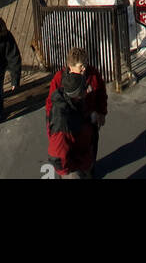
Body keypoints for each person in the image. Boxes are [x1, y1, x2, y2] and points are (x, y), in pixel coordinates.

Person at [45, 46, 107, 178]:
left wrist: (101, 112)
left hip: (89, 124)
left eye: (85, 65)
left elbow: (101, 92)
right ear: (70, 66)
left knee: (91, 151)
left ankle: (89, 169)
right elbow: (51, 109)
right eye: (81, 67)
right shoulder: (59, 79)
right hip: (72, 132)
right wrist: (52, 132)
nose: (84, 69)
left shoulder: (92, 73)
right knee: (73, 162)